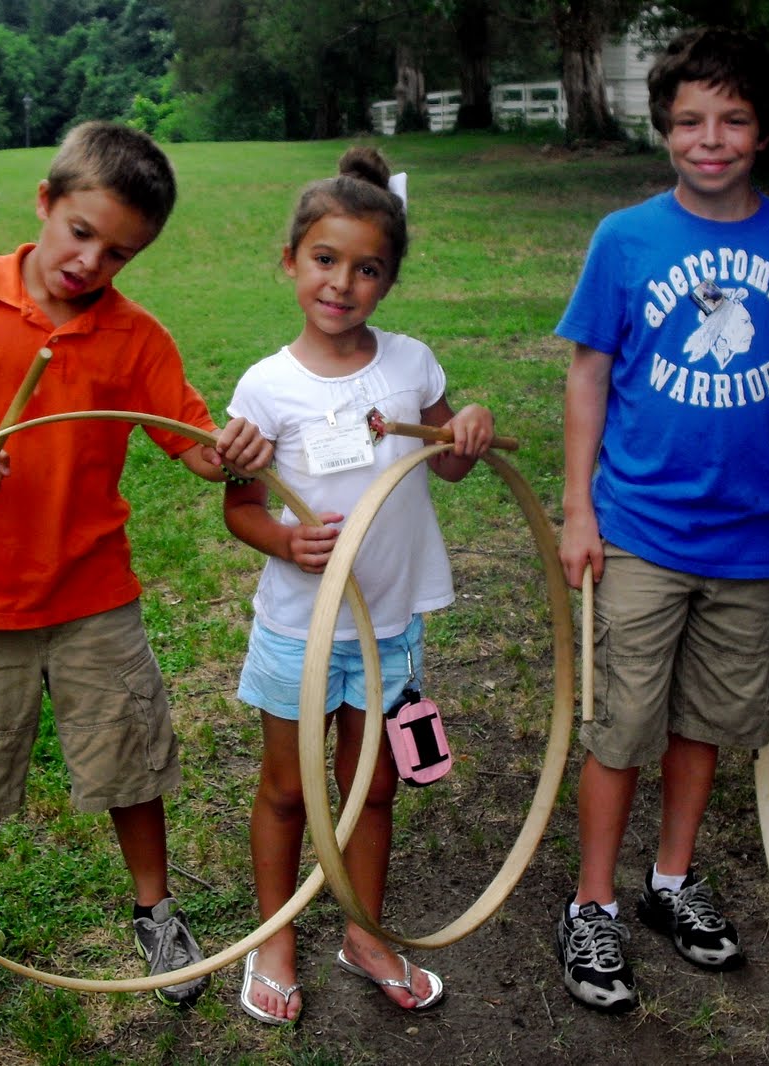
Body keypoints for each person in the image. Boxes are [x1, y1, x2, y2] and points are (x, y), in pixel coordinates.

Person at [0, 120, 273, 1014]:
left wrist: (237, 451)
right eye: (81, 233)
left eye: (119, 253)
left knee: (128, 754)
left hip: (95, 593)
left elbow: (195, 447)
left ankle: (155, 909)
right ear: (46, 205)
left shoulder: (134, 340)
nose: (91, 263)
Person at [552, 27, 769, 1013]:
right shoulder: (625, 239)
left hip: (749, 536)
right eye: (691, 120)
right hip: (639, 530)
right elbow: (588, 373)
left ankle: (669, 883)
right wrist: (580, 508)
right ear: (662, 130)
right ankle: (592, 905)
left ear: (763, 131)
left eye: (733, 119)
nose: (712, 138)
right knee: (620, 726)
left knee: (705, 719)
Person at [223, 146, 495, 1024]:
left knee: (372, 788)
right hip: (299, 631)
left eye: (367, 268)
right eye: (325, 260)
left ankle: (364, 931)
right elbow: (240, 512)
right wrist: (285, 538)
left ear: (389, 280)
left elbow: (448, 461)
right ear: (292, 261)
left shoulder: (411, 364)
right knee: (287, 790)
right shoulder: (267, 387)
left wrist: (471, 429)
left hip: (389, 630)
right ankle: (275, 936)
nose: (342, 283)